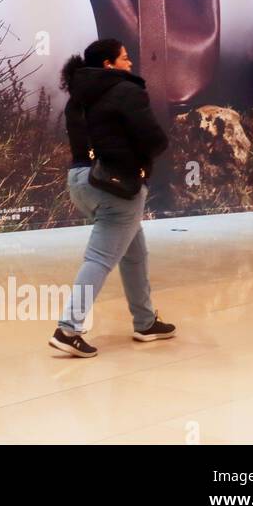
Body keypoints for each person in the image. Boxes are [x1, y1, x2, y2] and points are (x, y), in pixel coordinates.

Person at [50, 38, 176, 358]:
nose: (130, 63)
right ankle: (68, 328)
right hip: (117, 185)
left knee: (134, 251)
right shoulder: (126, 91)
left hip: (80, 180)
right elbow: (154, 139)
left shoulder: (76, 97)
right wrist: (144, 160)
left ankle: (145, 322)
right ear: (108, 64)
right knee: (100, 258)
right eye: (124, 58)